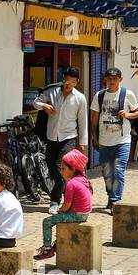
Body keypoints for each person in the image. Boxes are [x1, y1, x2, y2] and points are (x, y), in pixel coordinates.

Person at [32, 66, 88, 214]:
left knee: (60, 166)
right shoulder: (52, 92)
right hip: (51, 136)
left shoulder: (80, 98)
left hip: (68, 137)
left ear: (77, 82)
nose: (69, 85)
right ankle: (68, 190)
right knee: (51, 168)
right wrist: (44, 105)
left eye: (73, 82)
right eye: (66, 81)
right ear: (63, 79)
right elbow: (35, 102)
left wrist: (83, 143)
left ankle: (55, 201)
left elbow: (83, 121)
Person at [89, 66, 138, 210]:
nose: (112, 81)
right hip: (104, 141)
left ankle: (115, 201)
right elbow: (94, 119)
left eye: (115, 78)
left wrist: (128, 115)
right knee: (107, 173)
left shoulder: (127, 94)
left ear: (120, 79)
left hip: (122, 141)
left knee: (118, 171)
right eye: (109, 78)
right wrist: (94, 137)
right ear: (105, 79)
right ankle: (111, 196)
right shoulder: (99, 96)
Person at [34, 149, 92, 261]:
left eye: (63, 168)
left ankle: (47, 249)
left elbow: (66, 205)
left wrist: (59, 211)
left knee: (47, 221)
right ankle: (56, 243)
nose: (61, 171)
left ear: (73, 169)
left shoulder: (71, 184)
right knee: (59, 219)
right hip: (85, 213)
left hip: (77, 215)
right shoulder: (83, 180)